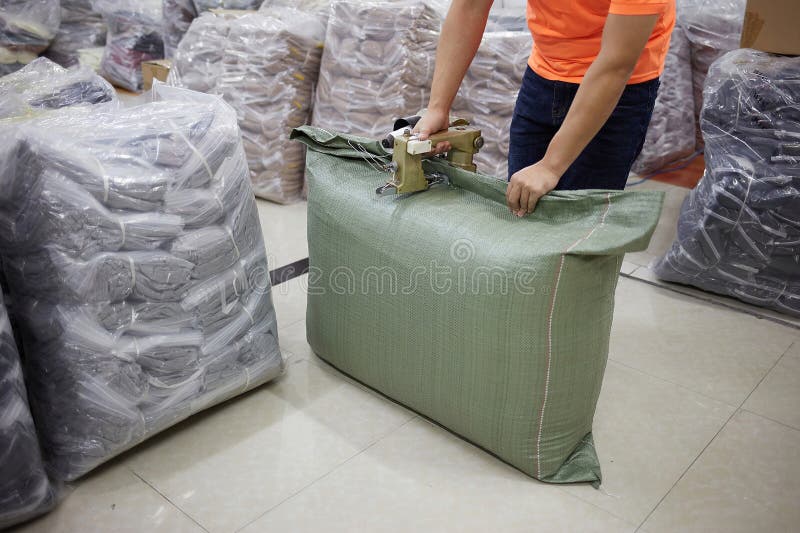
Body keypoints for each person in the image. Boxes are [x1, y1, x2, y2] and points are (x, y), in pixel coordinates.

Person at [415, 0, 676, 216]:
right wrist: (438, 108)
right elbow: (470, 6)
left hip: (617, 90)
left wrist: (550, 166)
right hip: (544, 74)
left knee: (577, 230)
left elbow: (616, 63)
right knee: (521, 212)